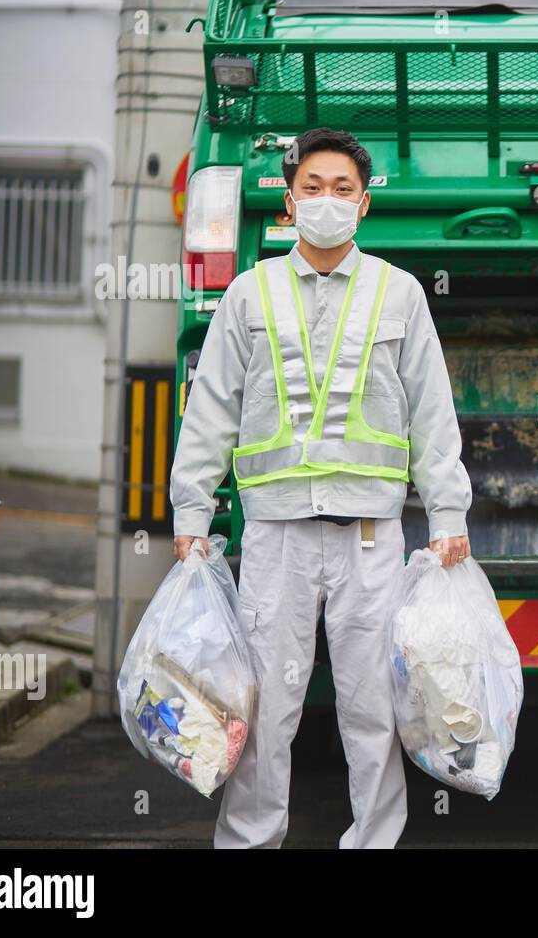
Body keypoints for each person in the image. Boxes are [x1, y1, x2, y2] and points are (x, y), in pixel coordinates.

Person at [170, 127, 472, 848]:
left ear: (363, 205)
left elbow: (432, 411)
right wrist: (190, 507)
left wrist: (447, 511)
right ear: (288, 198)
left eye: (342, 190)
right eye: (313, 188)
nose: (327, 202)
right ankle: (250, 839)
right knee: (265, 703)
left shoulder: (399, 294)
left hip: (370, 533)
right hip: (276, 532)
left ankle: (375, 840)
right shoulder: (250, 294)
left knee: (373, 706)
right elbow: (210, 406)